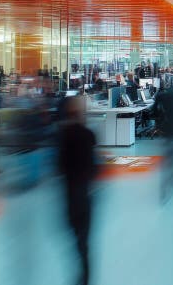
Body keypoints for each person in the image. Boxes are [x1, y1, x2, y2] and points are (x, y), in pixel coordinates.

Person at [57, 96, 98, 285]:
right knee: (84, 239)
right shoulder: (89, 135)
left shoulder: (64, 136)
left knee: (75, 235)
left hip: (70, 193)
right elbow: (95, 169)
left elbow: (59, 166)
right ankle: (86, 276)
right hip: (85, 194)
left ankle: (81, 272)